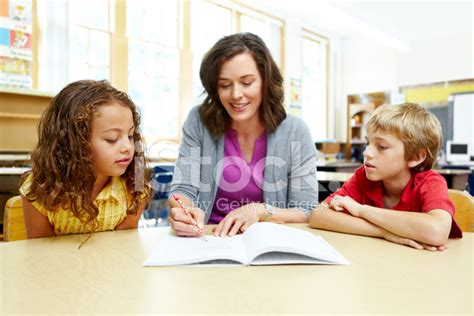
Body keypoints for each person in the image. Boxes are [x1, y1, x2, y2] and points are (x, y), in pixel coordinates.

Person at [169, 32, 318, 237]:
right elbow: (183, 189)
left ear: (265, 81)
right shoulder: (198, 121)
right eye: (225, 85)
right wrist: (184, 211)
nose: (236, 95)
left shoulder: (295, 131)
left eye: (247, 82)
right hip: (209, 237)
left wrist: (261, 210)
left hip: (266, 241)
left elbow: (306, 210)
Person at [309, 103, 463, 251]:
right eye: (367, 143)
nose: (366, 152)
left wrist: (362, 211)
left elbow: (436, 231)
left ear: (416, 157)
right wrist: (384, 232)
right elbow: (318, 215)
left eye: (382, 147)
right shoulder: (364, 177)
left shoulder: (430, 182)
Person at [20, 80, 151, 239]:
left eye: (130, 136)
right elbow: (40, 253)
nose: (128, 147)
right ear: (74, 142)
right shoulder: (39, 190)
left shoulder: (135, 189)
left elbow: (122, 249)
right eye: (111, 139)